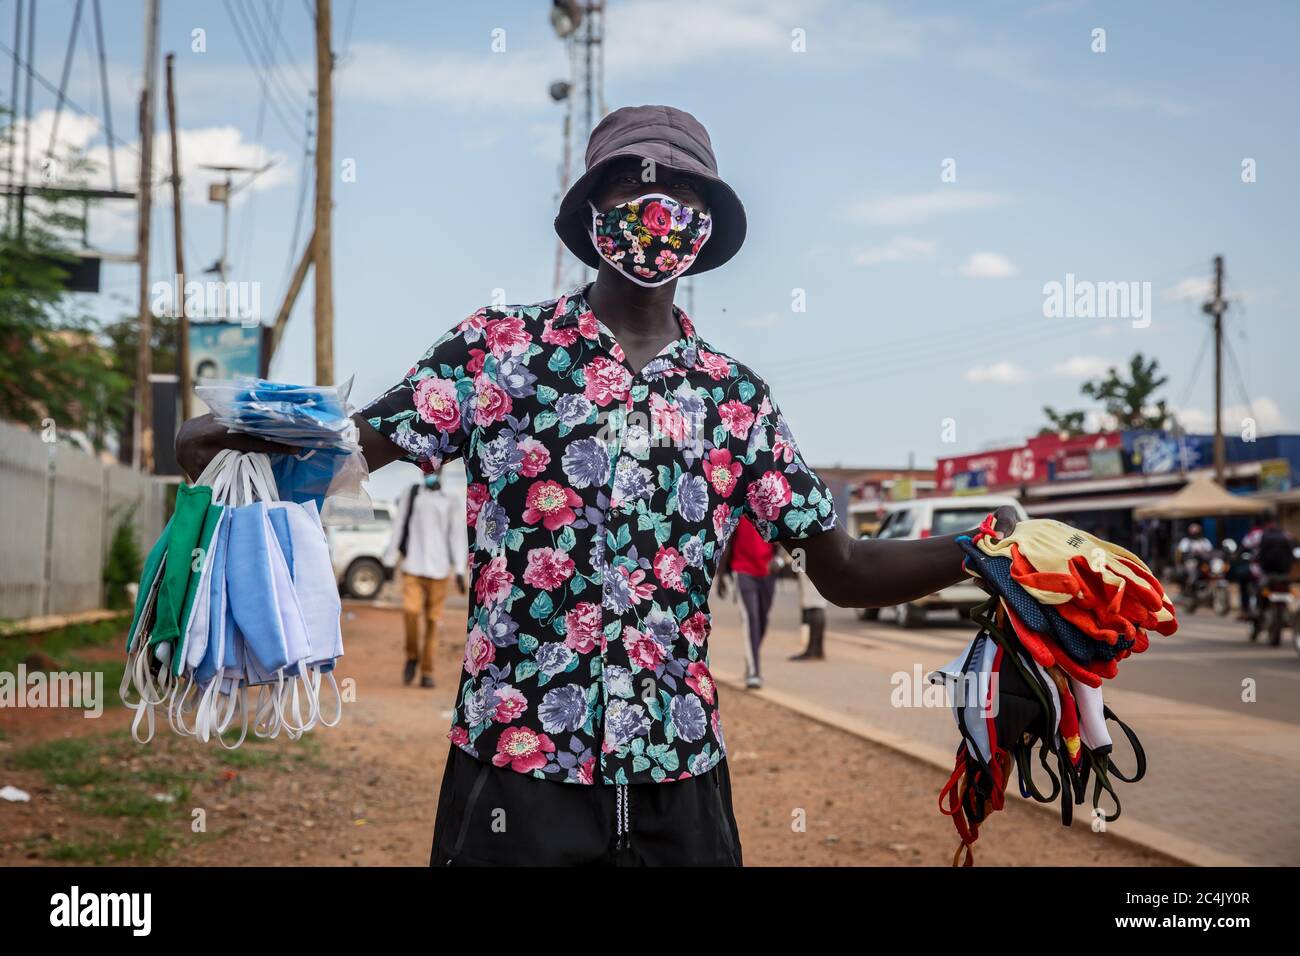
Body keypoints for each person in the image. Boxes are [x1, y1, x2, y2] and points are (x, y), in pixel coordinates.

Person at [177, 104, 1019, 867]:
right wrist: (231, 434)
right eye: (630, 183)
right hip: (514, 771)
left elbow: (843, 569)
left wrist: (987, 554)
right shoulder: (497, 352)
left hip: (680, 778)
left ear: (707, 226)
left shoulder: (736, 398)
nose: (656, 206)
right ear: (591, 214)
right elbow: (346, 448)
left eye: (682, 189)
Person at [385, 471, 468, 688]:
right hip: (413, 565)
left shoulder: (451, 500)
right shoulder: (411, 494)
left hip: (440, 571)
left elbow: (457, 535)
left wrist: (460, 570)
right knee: (411, 611)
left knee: (433, 621)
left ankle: (427, 671)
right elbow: (399, 525)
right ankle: (412, 656)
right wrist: (389, 558)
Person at [717, 515, 776, 688]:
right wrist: (721, 576)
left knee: (763, 621)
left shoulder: (771, 508)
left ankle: (751, 655)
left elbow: (783, 539)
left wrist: (779, 560)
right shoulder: (739, 511)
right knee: (751, 619)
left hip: (767, 571)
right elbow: (726, 542)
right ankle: (754, 671)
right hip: (742, 571)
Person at [790, 563, 828, 662]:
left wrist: (796, 567)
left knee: (814, 604)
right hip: (820, 563)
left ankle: (814, 650)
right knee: (817, 604)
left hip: (810, 563)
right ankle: (817, 649)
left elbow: (800, 548)